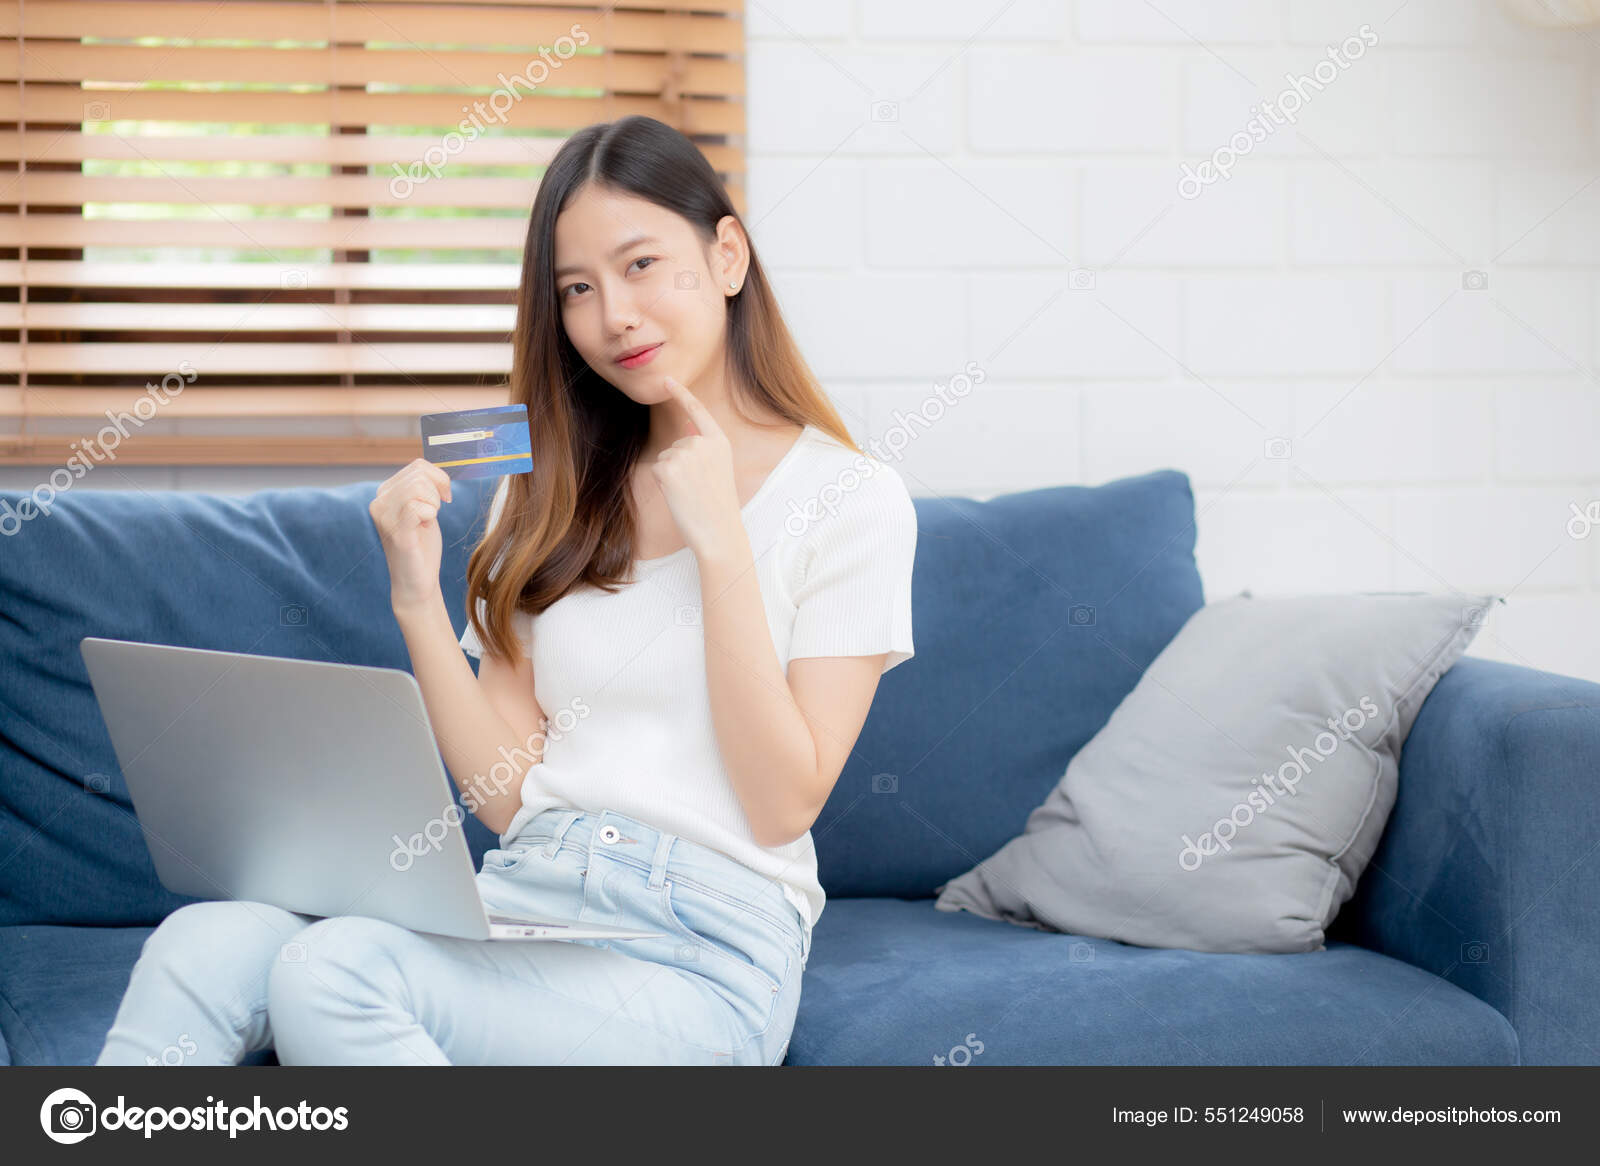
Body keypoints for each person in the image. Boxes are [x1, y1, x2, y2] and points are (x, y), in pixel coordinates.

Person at [95, 114, 917, 1066]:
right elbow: (508, 795)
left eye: (642, 265)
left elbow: (782, 804)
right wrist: (414, 598)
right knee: (207, 944)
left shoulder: (852, 499)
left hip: (706, 953)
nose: (615, 316)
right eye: (578, 288)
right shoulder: (549, 489)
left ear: (726, 255)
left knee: (337, 971)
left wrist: (722, 550)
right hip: (529, 900)